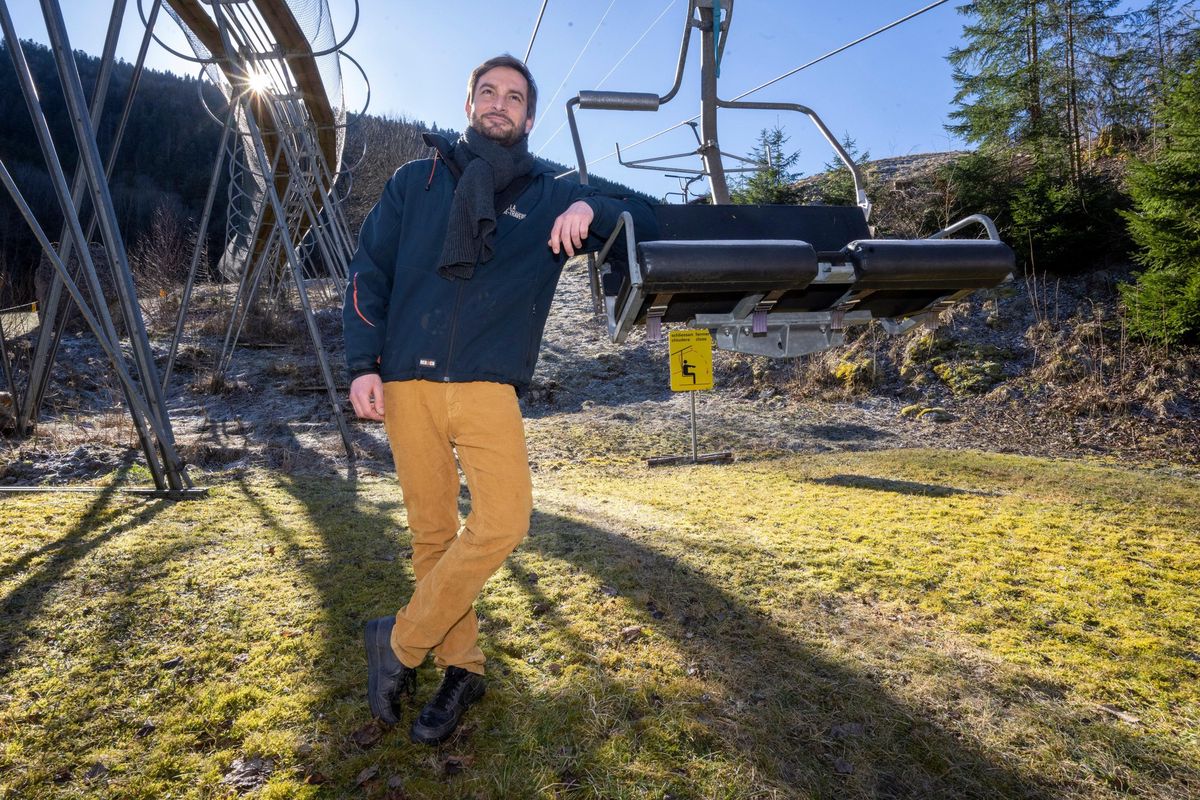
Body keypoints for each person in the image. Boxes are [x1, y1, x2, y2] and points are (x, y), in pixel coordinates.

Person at [342, 54, 656, 745]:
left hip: (486, 385)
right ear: (468, 104)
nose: (499, 103)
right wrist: (362, 364)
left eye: (514, 96)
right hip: (406, 383)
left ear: (529, 116)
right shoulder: (412, 182)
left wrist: (592, 206)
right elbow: (369, 271)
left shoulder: (548, 194)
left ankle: (396, 644)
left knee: (505, 520)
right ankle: (463, 668)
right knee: (431, 535)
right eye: (488, 91)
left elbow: (643, 215)